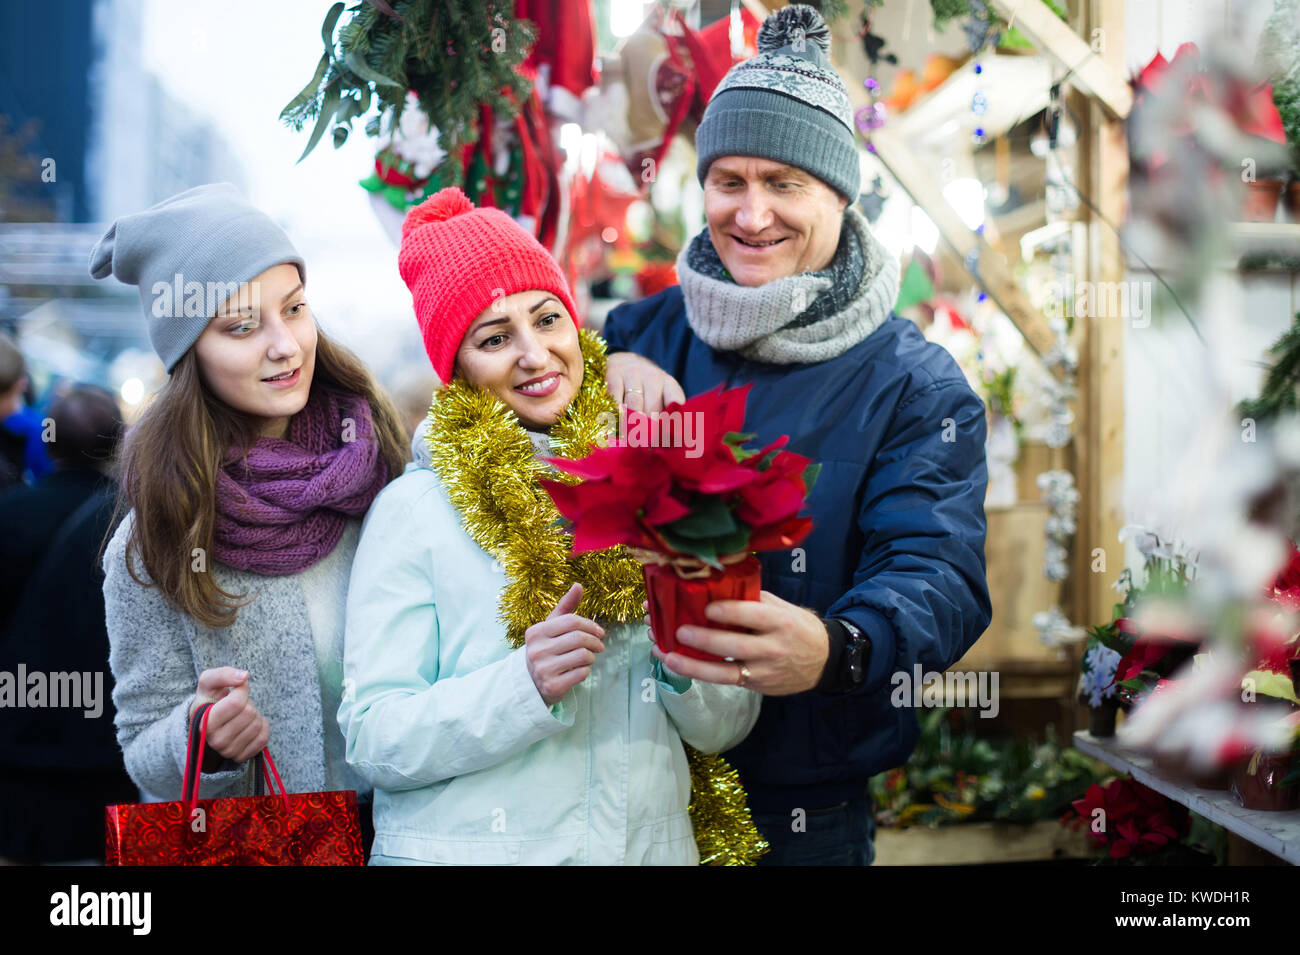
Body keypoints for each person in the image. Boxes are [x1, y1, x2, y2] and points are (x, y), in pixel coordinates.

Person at [600, 4, 992, 865]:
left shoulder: (914, 384)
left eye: (785, 183)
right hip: (626, 777)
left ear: (839, 197)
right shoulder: (640, 333)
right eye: (729, 180)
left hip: (800, 802)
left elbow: (940, 571)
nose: (750, 213)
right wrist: (605, 368)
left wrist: (842, 647)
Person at [339, 188, 762, 865]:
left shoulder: (665, 484)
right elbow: (373, 736)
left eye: (547, 318)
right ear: (458, 367)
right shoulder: (417, 510)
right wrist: (521, 685)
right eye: (495, 337)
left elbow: (728, 725)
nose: (535, 354)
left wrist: (685, 658)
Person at [92, 184, 406, 857]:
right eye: (241, 325)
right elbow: (142, 743)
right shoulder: (157, 536)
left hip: (412, 835)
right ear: (189, 354)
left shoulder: (382, 471)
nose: (284, 344)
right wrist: (200, 735)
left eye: (294, 309)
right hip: (263, 845)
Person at [0, 385, 136, 864]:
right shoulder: (133, 525)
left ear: (49, 442)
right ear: (119, 444)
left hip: (20, 732)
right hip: (107, 744)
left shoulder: (10, 514)